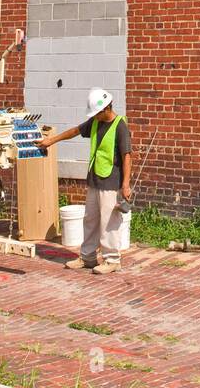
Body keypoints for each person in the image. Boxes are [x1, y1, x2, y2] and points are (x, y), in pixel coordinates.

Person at [35, 88, 132, 274]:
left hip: (111, 182)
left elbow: (127, 155)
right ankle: (87, 257)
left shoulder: (120, 126)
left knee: (109, 222)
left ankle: (112, 260)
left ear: (105, 109)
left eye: (96, 113)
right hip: (95, 179)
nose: (94, 116)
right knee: (90, 219)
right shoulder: (96, 122)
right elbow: (75, 131)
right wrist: (52, 140)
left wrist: (125, 185)